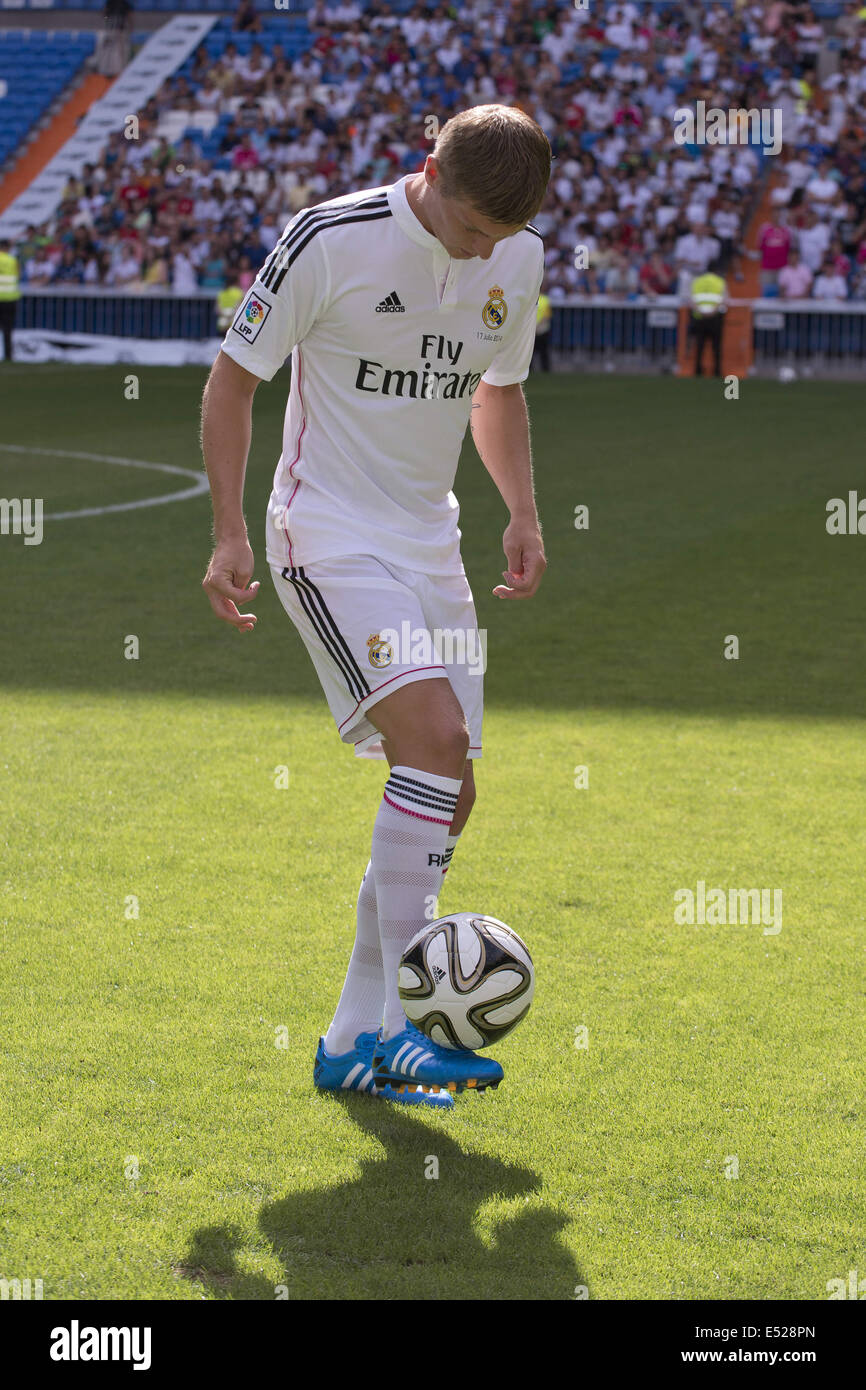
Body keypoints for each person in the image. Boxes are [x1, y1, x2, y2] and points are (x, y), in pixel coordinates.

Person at [200, 105, 549, 1108]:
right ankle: (407, 1030)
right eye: (471, 224)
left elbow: (497, 392)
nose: (480, 248)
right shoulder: (327, 239)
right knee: (433, 742)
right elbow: (233, 382)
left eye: (498, 236)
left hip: (428, 543)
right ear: (427, 167)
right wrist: (229, 530)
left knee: (450, 788)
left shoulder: (513, 257)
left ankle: (351, 1039)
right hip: (329, 532)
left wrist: (521, 511)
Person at [690, 256, 727, 377]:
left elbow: (692, 300)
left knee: (700, 345)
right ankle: (717, 371)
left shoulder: (697, 281)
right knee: (716, 346)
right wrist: (712, 312)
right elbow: (724, 300)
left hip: (699, 318)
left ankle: (698, 370)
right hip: (715, 318)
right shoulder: (720, 281)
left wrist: (701, 312)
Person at [0, 238, 20, 361]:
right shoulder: (13, 260)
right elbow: (18, 276)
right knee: (7, 330)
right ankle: (8, 356)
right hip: (10, 299)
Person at [531, 277, 552, 370]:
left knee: (542, 351)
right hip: (536, 328)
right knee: (533, 352)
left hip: (540, 329)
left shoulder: (544, 299)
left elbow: (547, 316)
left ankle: (545, 369)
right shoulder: (532, 298)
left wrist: (537, 326)